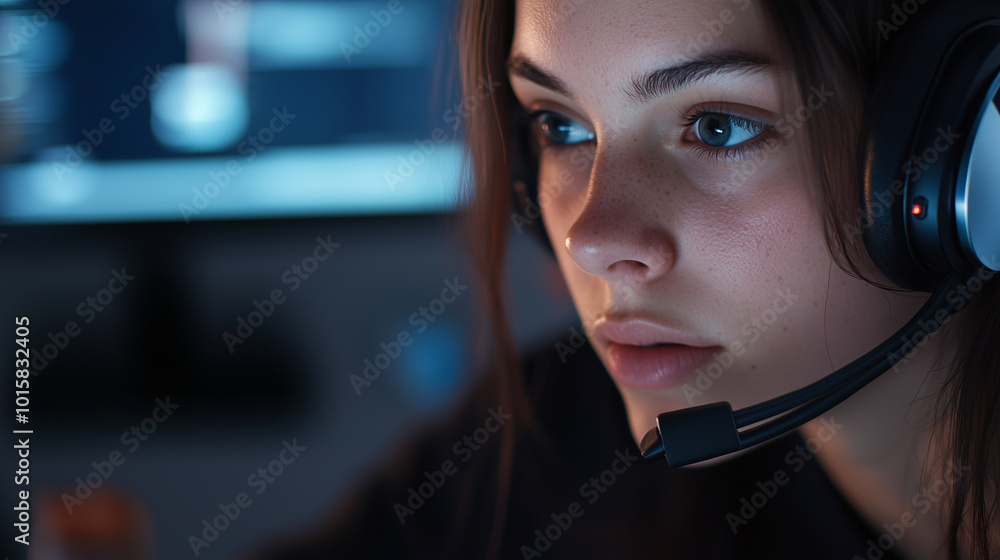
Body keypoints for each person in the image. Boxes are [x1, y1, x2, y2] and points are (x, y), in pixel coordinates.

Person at [252, 1, 1000, 558]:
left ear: (963, 159)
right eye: (560, 126)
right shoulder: (564, 427)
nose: (588, 239)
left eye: (718, 126)